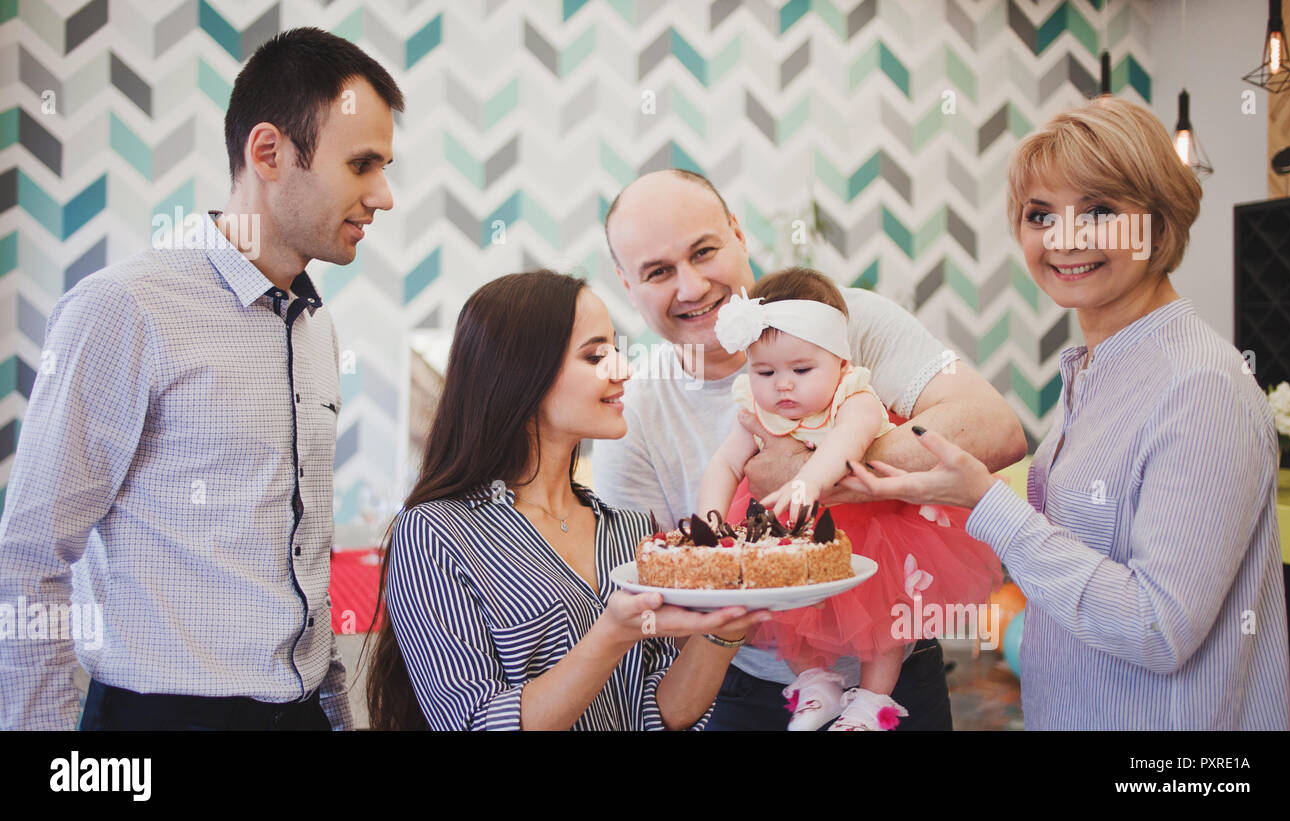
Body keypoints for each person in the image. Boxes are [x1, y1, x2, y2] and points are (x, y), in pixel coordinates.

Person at [842, 95, 1290, 730]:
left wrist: (989, 506)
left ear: (1159, 224)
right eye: (1039, 215)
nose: (1064, 238)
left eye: (1100, 210)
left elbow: (1158, 628)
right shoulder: (1096, 370)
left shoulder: (1201, 387)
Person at [0, 27, 403, 730]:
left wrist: (341, 716)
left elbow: (302, 554)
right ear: (269, 152)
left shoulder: (314, 325)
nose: (384, 195)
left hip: (303, 712)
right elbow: (30, 558)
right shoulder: (125, 309)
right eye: (362, 164)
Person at [593, 169, 1027, 731]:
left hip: (898, 666)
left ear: (739, 235)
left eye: (704, 251)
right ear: (628, 286)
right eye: (658, 271)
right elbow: (645, 585)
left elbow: (996, 428)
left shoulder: (846, 322)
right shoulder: (636, 411)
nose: (692, 286)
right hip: (739, 684)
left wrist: (812, 472)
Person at [365, 271, 770, 731]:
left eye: (615, 350)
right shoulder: (435, 533)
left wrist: (729, 625)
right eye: (596, 354)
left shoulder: (632, 530)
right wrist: (613, 634)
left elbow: (660, 715)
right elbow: (476, 721)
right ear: (523, 373)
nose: (623, 369)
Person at [699, 267, 1003, 731]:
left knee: (883, 620)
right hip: (793, 535)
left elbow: (843, 449)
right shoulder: (754, 411)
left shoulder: (856, 399)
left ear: (840, 364)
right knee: (784, 610)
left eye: (801, 370)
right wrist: (712, 524)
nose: (783, 385)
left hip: (874, 531)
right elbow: (723, 464)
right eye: (765, 371)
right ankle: (814, 683)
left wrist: (807, 483)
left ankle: (873, 702)